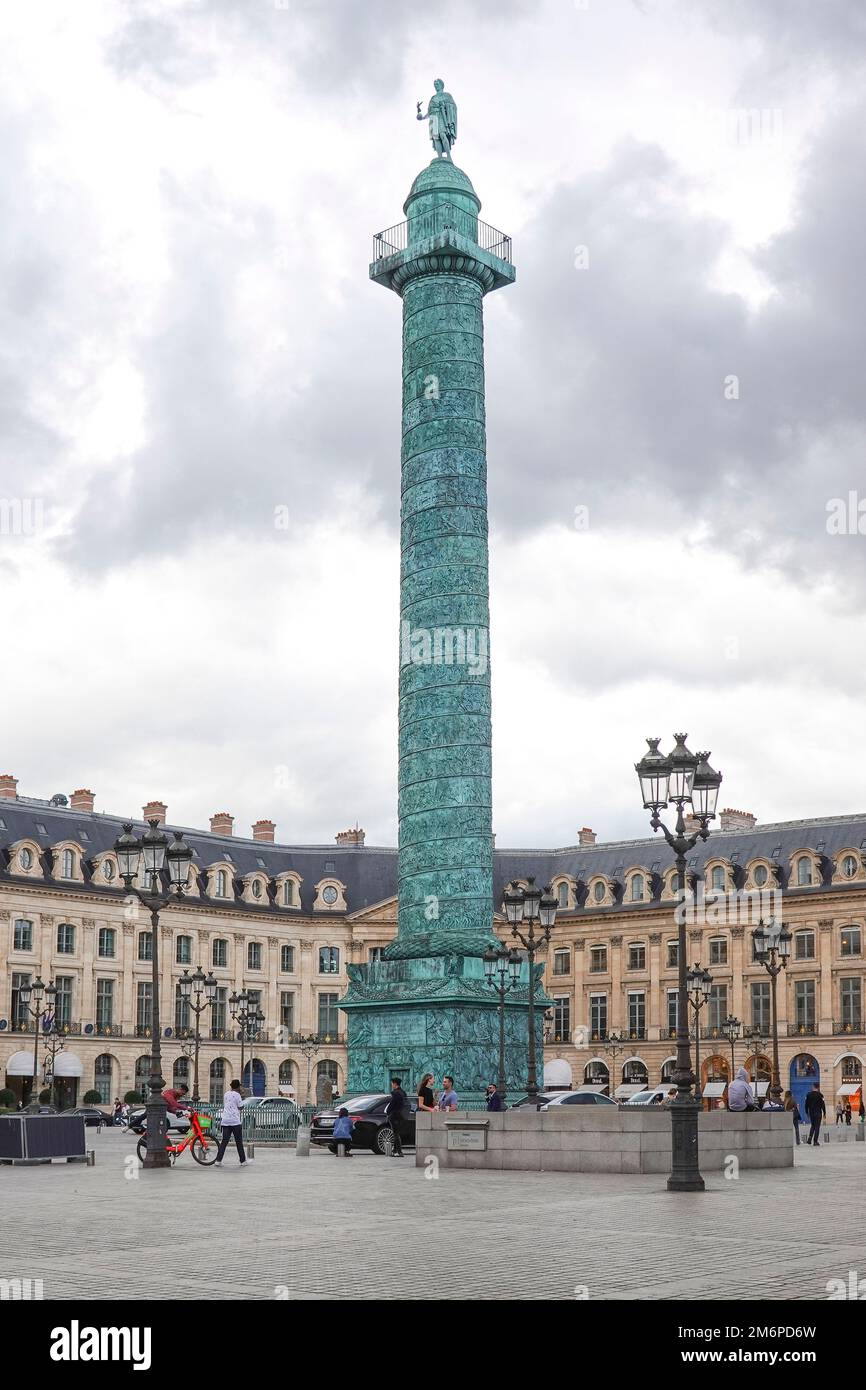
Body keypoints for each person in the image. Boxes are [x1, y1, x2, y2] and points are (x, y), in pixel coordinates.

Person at [215, 1079, 246, 1166]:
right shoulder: (237, 1095)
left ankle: (218, 1160)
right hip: (235, 1121)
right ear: (238, 1086)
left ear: (231, 1086)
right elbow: (240, 1107)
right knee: (239, 1142)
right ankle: (243, 1161)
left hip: (225, 1121)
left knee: (224, 1142)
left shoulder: (226, 1094)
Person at [385, 1077, 408, 1157]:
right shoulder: (403, 1092)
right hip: (401, 1115)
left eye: (392, 1083)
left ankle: (399, 1151)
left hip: (394, 1115)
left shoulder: (395, 1093)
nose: (391, 1085)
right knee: (396, 1133)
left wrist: (388, 1112)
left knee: (395, 1133)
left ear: (395, 1084)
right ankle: (395, 1151)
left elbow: (392, 1104)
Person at [804, 1081, 826, 1146]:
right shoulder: (821, 1095)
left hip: (811, 1113)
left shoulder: (808, 1095)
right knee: (817, 1127)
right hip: (818, 1113)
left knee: (813, 1126)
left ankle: (809, 1139)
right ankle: (815, 1141)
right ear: (818, 1087)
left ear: (813, 1087)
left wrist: (806, 1112)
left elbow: (806, 1104)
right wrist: (824, 1113)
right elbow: (823, 1105)